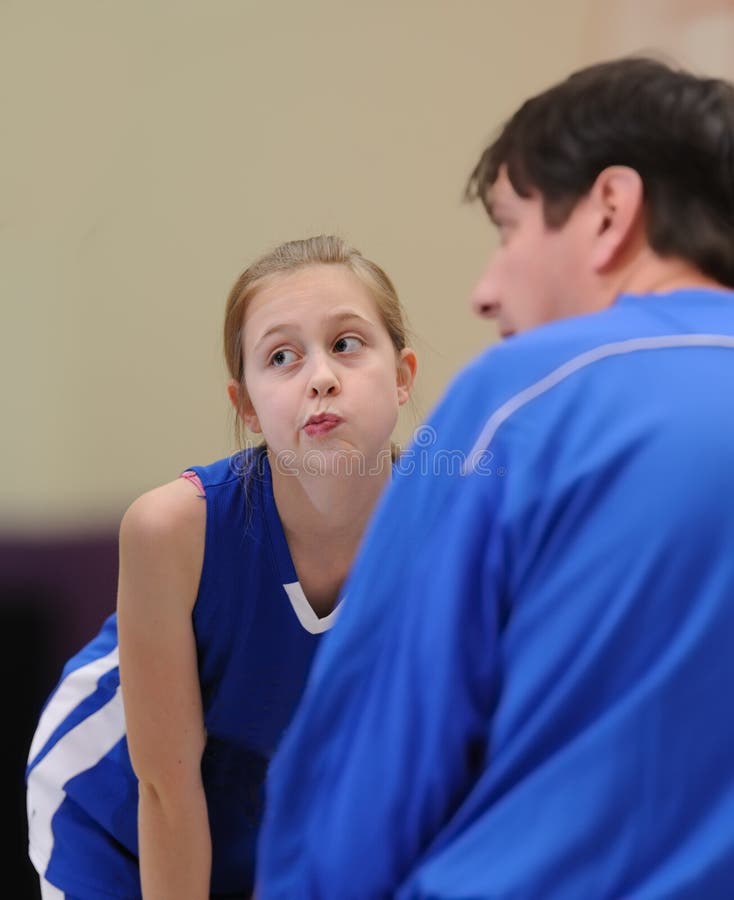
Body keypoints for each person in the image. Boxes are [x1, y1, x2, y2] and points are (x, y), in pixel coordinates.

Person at [256, 57, 734, 898]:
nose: (485, 291)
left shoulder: (522, 393)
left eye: (509, 229)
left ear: (610, 211)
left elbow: (364, 783)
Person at [25, 234, 417, 899]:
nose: (320, 376)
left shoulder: (452, 533)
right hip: (122, 809)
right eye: (282, 357)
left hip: (280, 812)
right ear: (247, 405)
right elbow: (166, 792)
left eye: (346, 344)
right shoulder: (172, 529)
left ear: (403, 375)